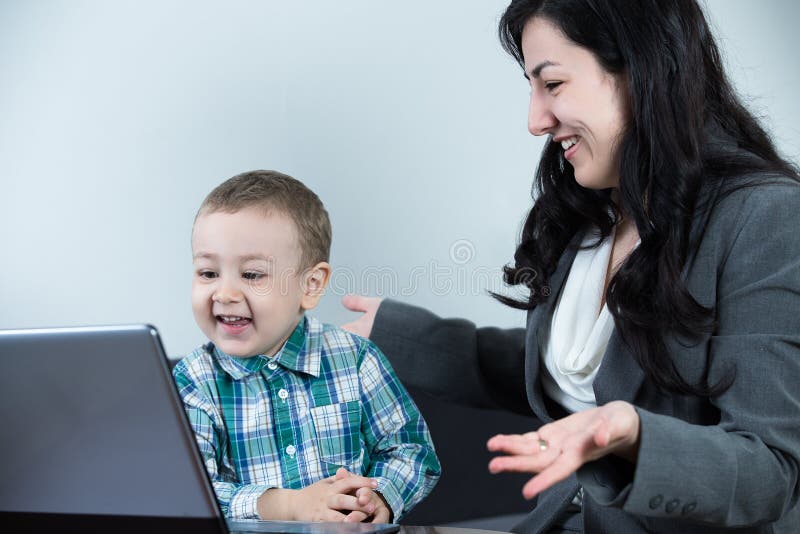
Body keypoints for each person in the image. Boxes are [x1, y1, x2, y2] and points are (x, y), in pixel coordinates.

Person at [341, 0, 800, 532]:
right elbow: (582, 373)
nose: (535, 120)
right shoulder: (593, 209)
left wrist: (634, 437)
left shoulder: (766, 218)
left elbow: (772, 469)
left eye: (552, 84)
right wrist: (403, 337)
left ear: (641, 70)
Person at [172, 170, 440, 524]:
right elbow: (189, 494)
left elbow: (412, 451)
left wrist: (378, 498)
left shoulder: (355, 358)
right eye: (208, 273)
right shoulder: (193, 383)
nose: (224, 293)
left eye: (251, 275)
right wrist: (286, 506)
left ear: (311, 285)